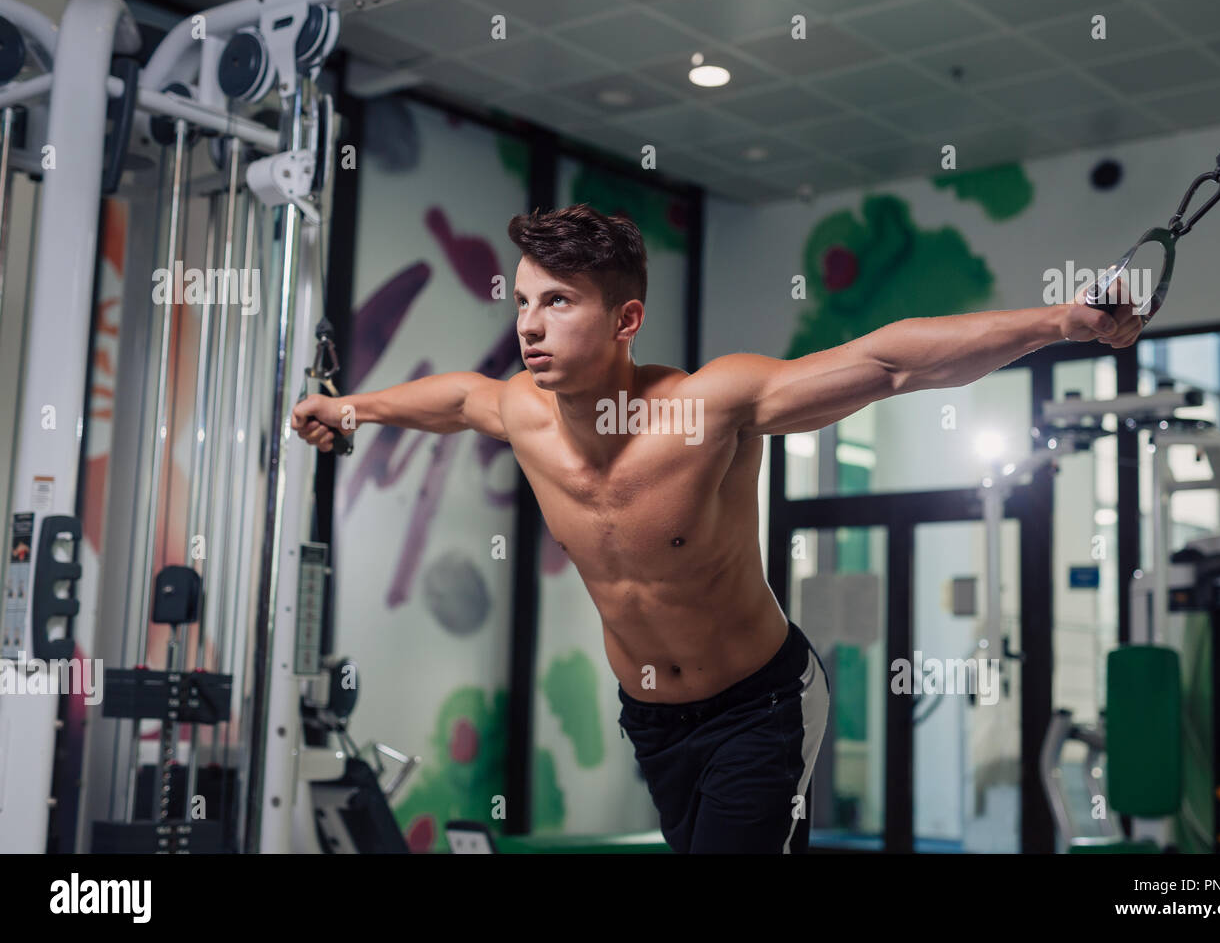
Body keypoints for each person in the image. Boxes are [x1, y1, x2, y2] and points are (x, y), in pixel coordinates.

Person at [291, 203, 1142, 853]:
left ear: (626, 320)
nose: (529, 324)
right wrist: (353, 408)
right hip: (654, 722)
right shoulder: (522, 411)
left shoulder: (710, 407)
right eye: (523, 301)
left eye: (558, 301)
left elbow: (889, 364)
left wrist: (1058, 324)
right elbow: (451, 398)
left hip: (760, 706)